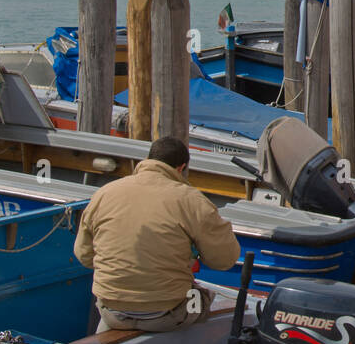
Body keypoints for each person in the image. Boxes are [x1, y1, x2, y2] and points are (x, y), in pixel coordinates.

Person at [74, 137, 241, 331]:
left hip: (111, 311)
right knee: (202, 297)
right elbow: (224, 260)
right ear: (181, 168)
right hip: (167, 312)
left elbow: (84, 256)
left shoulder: (104, 193)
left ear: (148, 159)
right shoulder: (191, 200)